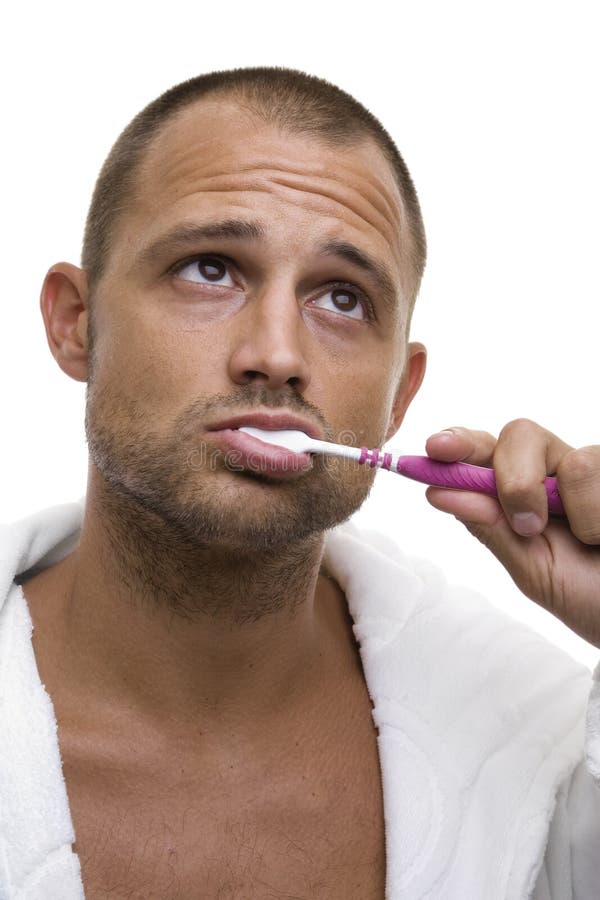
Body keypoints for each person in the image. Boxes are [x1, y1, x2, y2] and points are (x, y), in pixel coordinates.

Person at [1, 66, 599, 900]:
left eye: (342, 299)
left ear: (400, 397)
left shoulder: (552, 756)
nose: (277, 355)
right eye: (211, 268)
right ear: (76, 322)